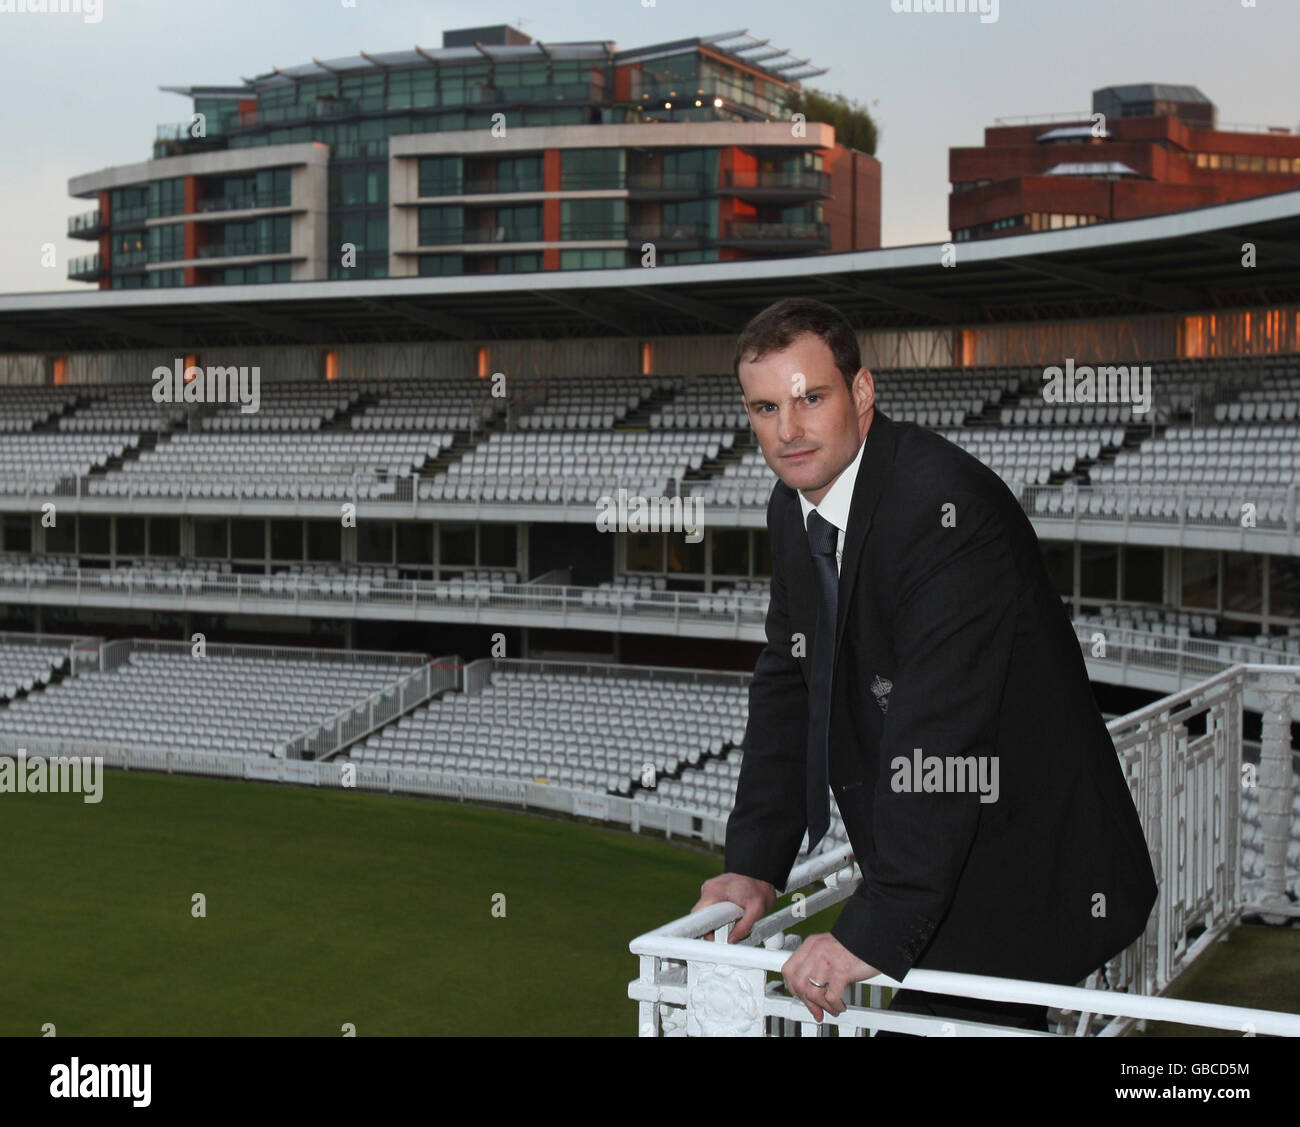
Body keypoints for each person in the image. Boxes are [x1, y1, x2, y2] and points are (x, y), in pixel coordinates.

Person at [692, 297, 1158, 1035]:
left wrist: (871, 928)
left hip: (1021, 861)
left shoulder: (944, 508)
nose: (788, 429)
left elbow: (940, 730)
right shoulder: (792, 507)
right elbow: (790, 681)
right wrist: (754, 862)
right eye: (765, 406)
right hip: (945, 858)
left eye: (811, 397)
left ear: (864, 392)